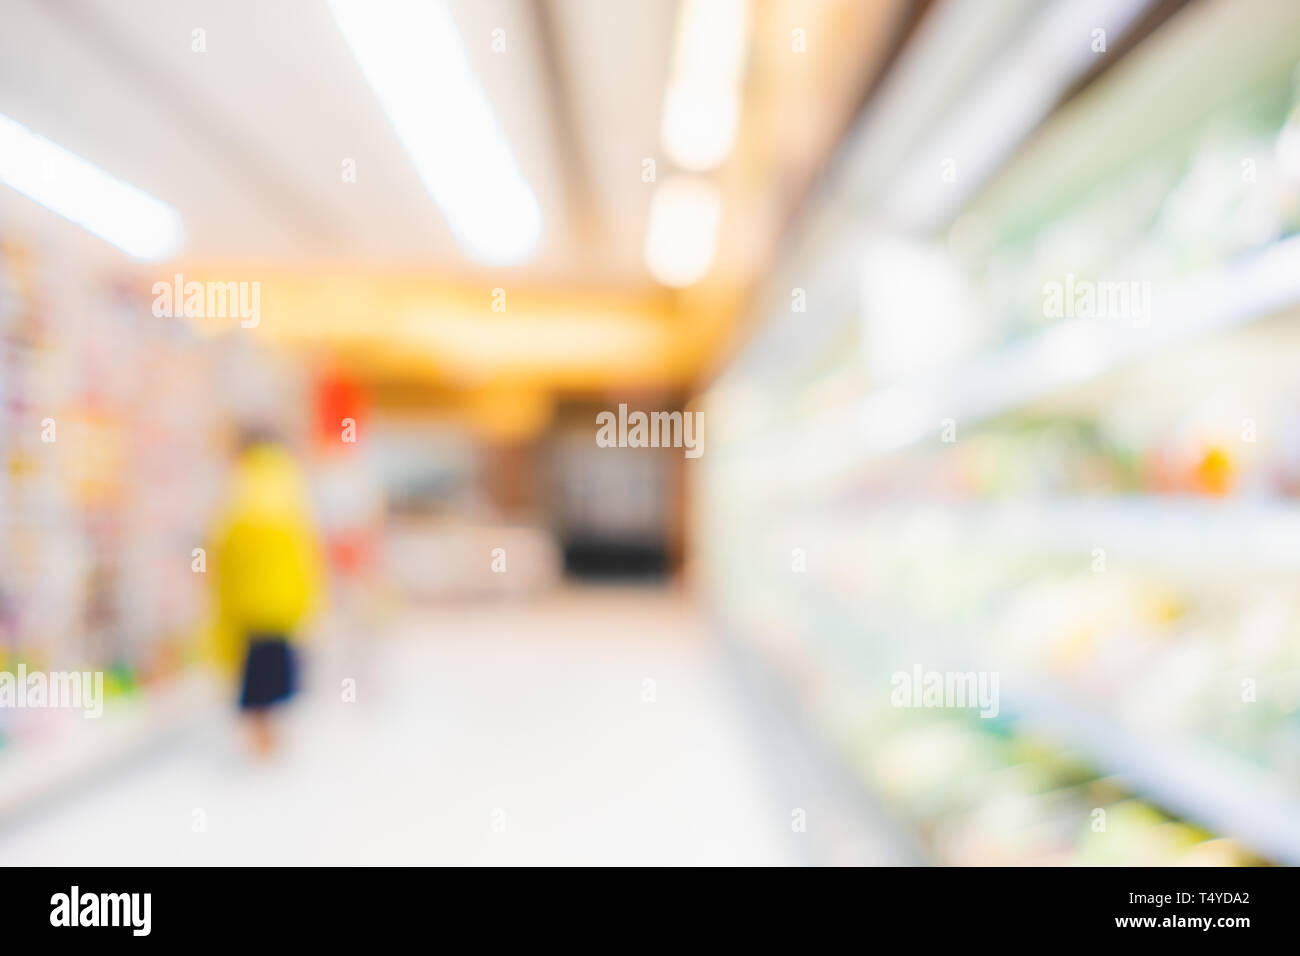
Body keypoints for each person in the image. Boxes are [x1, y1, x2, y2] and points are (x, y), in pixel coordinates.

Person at [208, 429, 326, 757]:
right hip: (286, 606)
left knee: (255, 683)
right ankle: (272, 743)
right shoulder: (293, 487)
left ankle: (260, 745)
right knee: (275, 679)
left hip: (249, 606)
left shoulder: (239, 490)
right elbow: (309, 553)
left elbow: (225, 552)